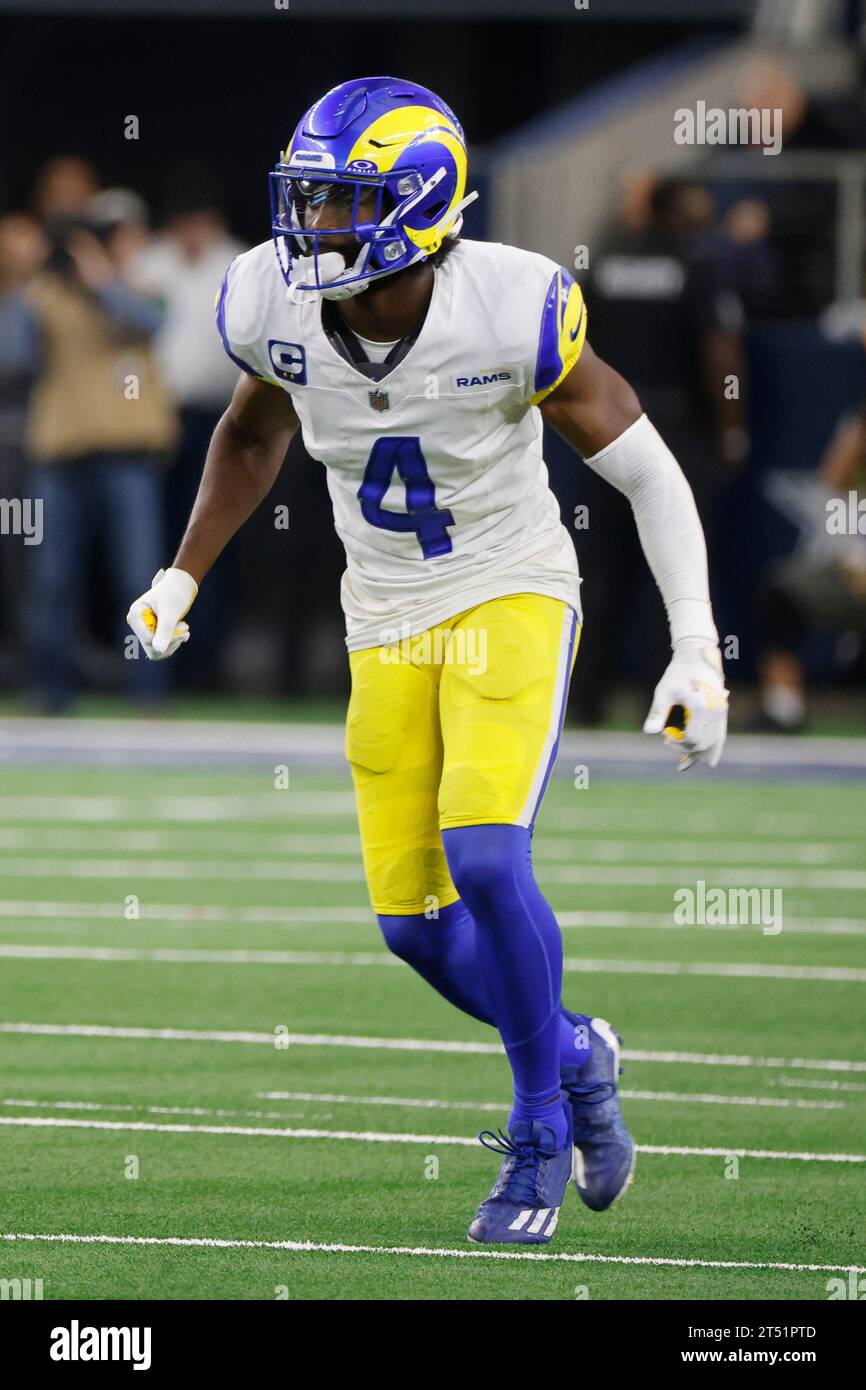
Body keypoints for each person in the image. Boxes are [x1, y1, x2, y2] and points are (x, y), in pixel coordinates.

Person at [127, 77, 728, 1246]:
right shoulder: (275, 304)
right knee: (409, 924)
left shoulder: (509, 307)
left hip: (508, 586)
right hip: (384, 610)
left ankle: (539, 1124)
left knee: (488, 860)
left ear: (413, 209)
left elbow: (649, 471)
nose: (312, 227)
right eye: (308, 198)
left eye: (342, 203)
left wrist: (695, 650)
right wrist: (184, 573)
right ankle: (572, 1048)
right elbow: (252, 430)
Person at [572, 177, 747, 724]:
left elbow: (571, 342)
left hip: (599, 427)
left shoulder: (603, 264)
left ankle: (583, 701)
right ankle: (671, 699)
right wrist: (732, 427)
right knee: (672, 565)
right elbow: (719, 352)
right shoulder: (697, 263)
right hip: (672, 427)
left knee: (598, 571)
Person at [0, 187, 177, 711]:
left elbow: (154, 325)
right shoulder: (44, 296)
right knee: (52, 580)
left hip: (130, 459)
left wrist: (102, 279)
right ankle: (49, 691)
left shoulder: (146, 286)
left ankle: (149, 693)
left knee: (140, 576)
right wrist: (25, 276)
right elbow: (12, 357)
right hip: (61, 458)